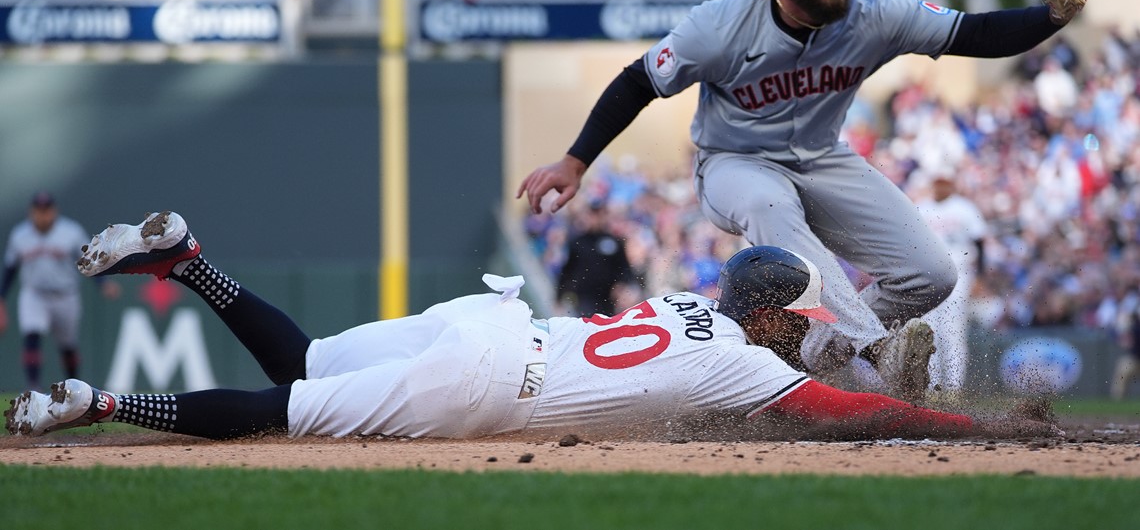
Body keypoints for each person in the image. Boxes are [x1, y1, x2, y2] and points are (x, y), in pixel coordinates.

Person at [517, 0, 1096, 402]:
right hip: (735, 164)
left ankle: (821, 354)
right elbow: (639, 80)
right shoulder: (720, 26)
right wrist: (576, 160)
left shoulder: (872, 14)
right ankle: (872, 357)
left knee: (932, 274)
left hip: (822, 157)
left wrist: (1054, 13)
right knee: (771, 206)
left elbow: (975, 33)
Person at [5, 211, 1054, 441]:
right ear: (769, 314)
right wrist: (971, 428)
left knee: (309, 355)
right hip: (487, 380)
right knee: (287, 408)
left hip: (492, 315)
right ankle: (101, 401)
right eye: (796, 316)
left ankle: (190, 256)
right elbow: (846, 405)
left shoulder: (694, 301)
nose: (797, 330)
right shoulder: (736, 364)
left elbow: (772, 341)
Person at [0, 192, 119, 391]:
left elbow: (89, 261)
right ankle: (32, 387)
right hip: (34, 294)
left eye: (46, 210)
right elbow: (10, 269)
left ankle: (74, 387)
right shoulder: (20, 235)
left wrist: (103, 283)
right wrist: (1, 298)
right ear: (32, 212)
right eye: (39, 211)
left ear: (54, 211)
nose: (43, 215)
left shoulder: (70, 232)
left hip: (66, 295)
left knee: (68, 345)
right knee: (32, 334)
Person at [915, 171, 987, 398]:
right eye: (937, 183)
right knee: (929, 333)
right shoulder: (921, 207)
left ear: (952, 185)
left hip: (959, 275)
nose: (941, 187)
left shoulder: (964, 208)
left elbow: (980, 243)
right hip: (927, 278)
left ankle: (954, 389)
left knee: (953, 333)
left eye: (944, 183)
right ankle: (932, 388)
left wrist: (980, 277)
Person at [556, 200, 637, 316]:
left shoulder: (614, 242)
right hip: (583, 296)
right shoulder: (578, 242)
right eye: (593, 214)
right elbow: (567, 270)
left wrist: (622, 284)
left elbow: (624, 268)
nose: (596, 218)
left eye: (600, 214)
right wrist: (559, 296)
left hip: (606, 298)